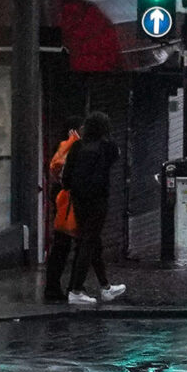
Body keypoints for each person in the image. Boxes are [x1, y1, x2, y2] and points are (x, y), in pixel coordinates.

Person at [62, 111, 125, 306]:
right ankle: (76, 290)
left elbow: (66, 179)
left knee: (91, 241)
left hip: (79, 201)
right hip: (97, 201)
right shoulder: (107, 147)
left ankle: (105, 287)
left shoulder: (77, 147)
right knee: (88, 243)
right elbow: (117, 154)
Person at [43, 118, 81, 302]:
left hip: (62, 197)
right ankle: (59, 288)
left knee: (62, 246)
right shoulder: (71, 144)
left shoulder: (63, 145)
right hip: (67, 199)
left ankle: (55, 287)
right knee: (64, 245)